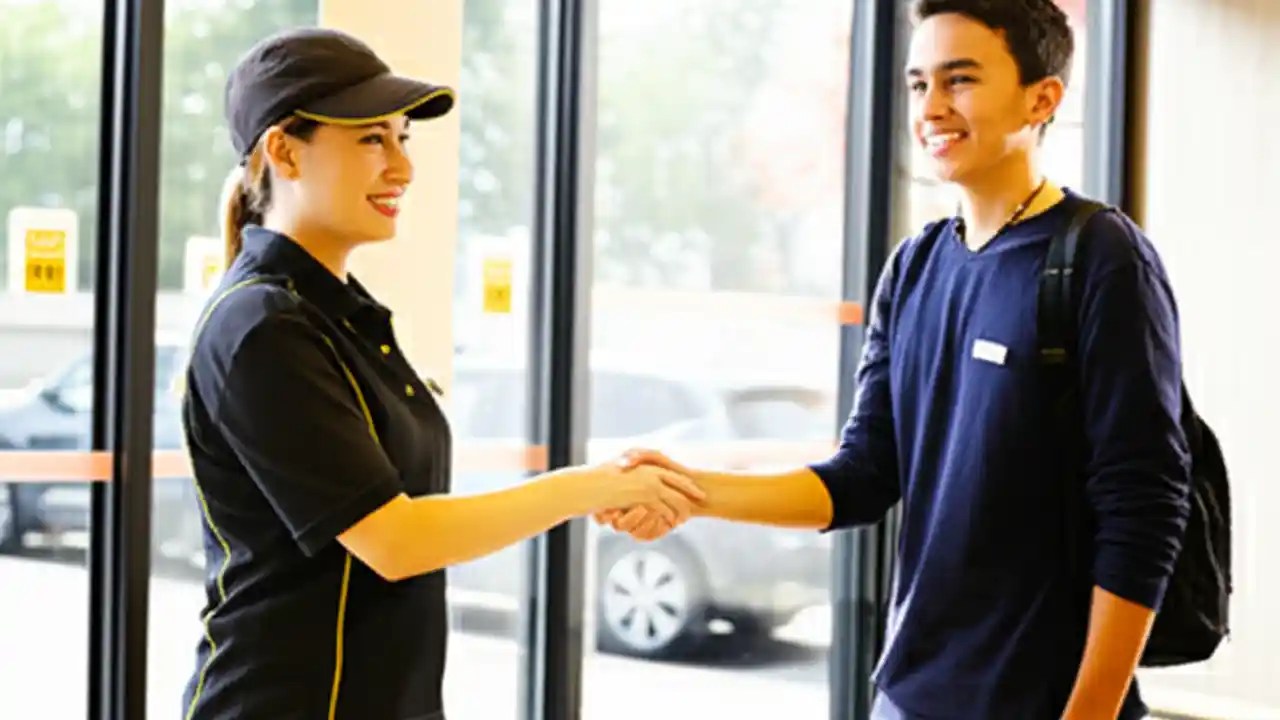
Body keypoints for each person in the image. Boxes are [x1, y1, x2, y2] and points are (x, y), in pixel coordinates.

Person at [605, 2, 1191, 718]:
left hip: (1039, 703)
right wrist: (690, 490)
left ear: (1043, 97)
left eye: (960, 80)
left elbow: (1145, 506)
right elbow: (860, 479)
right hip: (908, 696)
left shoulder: (1101, 257)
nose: (932, 108)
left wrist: (1088, 715)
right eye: (919, 85)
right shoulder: (913, 268)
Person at [180, 28, 704, 720]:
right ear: (282, 150)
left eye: (402, 138)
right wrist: (588, 487)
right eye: (372, 140)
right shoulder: (261, 328)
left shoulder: (340, 318)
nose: (402, 167)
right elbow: (396, 541)